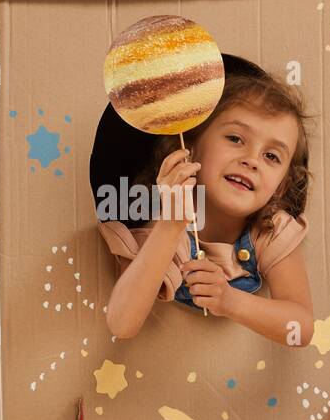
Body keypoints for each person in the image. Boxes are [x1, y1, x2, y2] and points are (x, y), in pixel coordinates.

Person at [98, 67, 314, 346]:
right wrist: (171, 225)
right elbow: (122, 323)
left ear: (281, 187)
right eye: (235, 139)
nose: (252, 160)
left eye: (271, 156)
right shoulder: (164, 230)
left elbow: (302, 329)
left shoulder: (270, 229)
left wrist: (230, 301)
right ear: (189, 148)